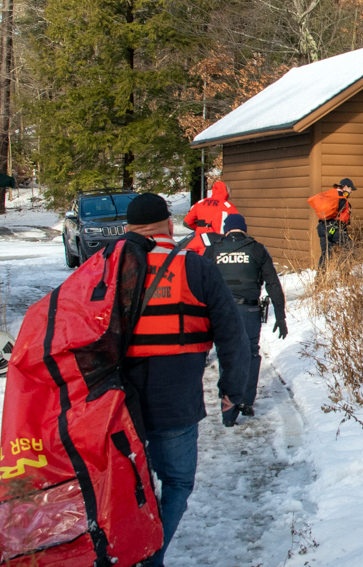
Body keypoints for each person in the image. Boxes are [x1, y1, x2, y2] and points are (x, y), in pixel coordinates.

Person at [122, 193, 250, 567]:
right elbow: (232, 335)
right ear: (168, 224)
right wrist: (232, 391)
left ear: (128, 228)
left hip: (115, 398)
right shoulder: (195, 266)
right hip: (176, 396)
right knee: (176, 482)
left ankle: (127, 551)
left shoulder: (106, 265)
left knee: (125, 484)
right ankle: (150, 556)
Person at [203, 213, 288, 417]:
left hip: (222, 311)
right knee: (250, 354)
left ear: (226, 229)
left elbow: (201, 280)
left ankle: (228, 409)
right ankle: (246, 402)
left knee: (228, 354)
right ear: (244, 229)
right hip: (249, 310)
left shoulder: (214, 249)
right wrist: (280, 315)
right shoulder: (257, 249)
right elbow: (273, 283)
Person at [183, 179, 239, 254]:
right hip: (219, 244)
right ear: (226, 193)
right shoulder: (229, 206)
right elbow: (236, 226)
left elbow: (187, 222)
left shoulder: (200, 203)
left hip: (200, 241)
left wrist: (200, 228)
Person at [315, 178, 355, 271]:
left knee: (326, 255)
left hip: (322, 228)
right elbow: (340, 218)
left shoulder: (332, 195)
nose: (351, 191)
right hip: (334, 228)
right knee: (350, 248)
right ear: (345, 187)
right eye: (350, 189)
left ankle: (319, 281)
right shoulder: (341, 199)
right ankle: (344, 276)